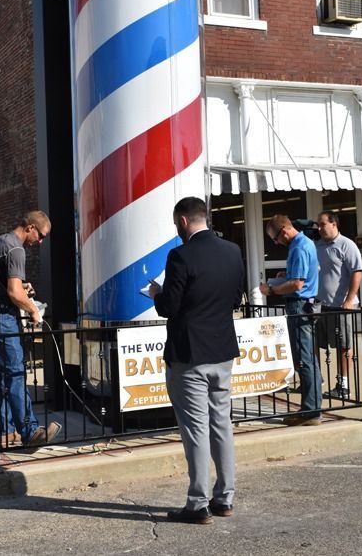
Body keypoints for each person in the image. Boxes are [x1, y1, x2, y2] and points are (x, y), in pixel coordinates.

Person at [149, 197, 244, 525]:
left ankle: (197, 503)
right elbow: (235, 298)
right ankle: (225, 497)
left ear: (184, 221)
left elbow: (170, 307)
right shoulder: (233, 251)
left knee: (195, 428)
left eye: (177, 223)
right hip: (222, 351)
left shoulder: (180, 255)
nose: (177, 229)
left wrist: (157, 294)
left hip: (189, 354)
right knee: (221, 424)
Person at [0, 210, 61, 448]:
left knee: (3, 376)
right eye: (41, 235)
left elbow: (6, 285)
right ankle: (30, 431)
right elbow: (14, 293)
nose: (41, 241)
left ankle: (6, 432)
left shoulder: (1, 241)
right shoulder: (16, 249)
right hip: (2, 315)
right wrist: (33, 309)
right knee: (15, 374)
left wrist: (23, 289)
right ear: (30, 228)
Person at [259, 214, 322, 426]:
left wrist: (272, 290)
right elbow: (300, 276)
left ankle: (310, 411)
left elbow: (297, 284)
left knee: (303, 358)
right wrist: (285, 274)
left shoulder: (299, 247)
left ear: (284, 231)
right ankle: (312, 408)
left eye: (275, 238)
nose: (276, 243)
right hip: (303, 305)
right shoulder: (303, 243)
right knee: (305, 357)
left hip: (300, 306)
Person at [316, 211, 362, 400]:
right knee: (315, 345)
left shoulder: (347, 245)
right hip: (320, 307)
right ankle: (315, 380)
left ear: (334, 224)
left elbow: (356, 272)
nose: (319, 229)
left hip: (340, 307)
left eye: (322, 224)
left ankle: (343, 385)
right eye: (318, 225)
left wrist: (349, 300)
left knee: (343, 346)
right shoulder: (317, 246)